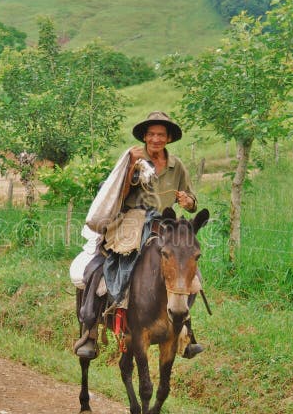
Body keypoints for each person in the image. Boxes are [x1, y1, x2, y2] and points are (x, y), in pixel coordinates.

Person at [74, 111, 204, 359]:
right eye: (152, 134)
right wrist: (130, 169)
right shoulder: (133, 158)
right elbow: (113, 193)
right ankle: (90, 326)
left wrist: (188, 202)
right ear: (145, 136)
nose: (156, 139)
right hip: (132, 219)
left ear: (168, 139)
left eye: (161, 135)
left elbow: (191, 201)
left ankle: (185, 329)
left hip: (165, 223)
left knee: (189, 267)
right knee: (104, 261)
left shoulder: (177, 166)